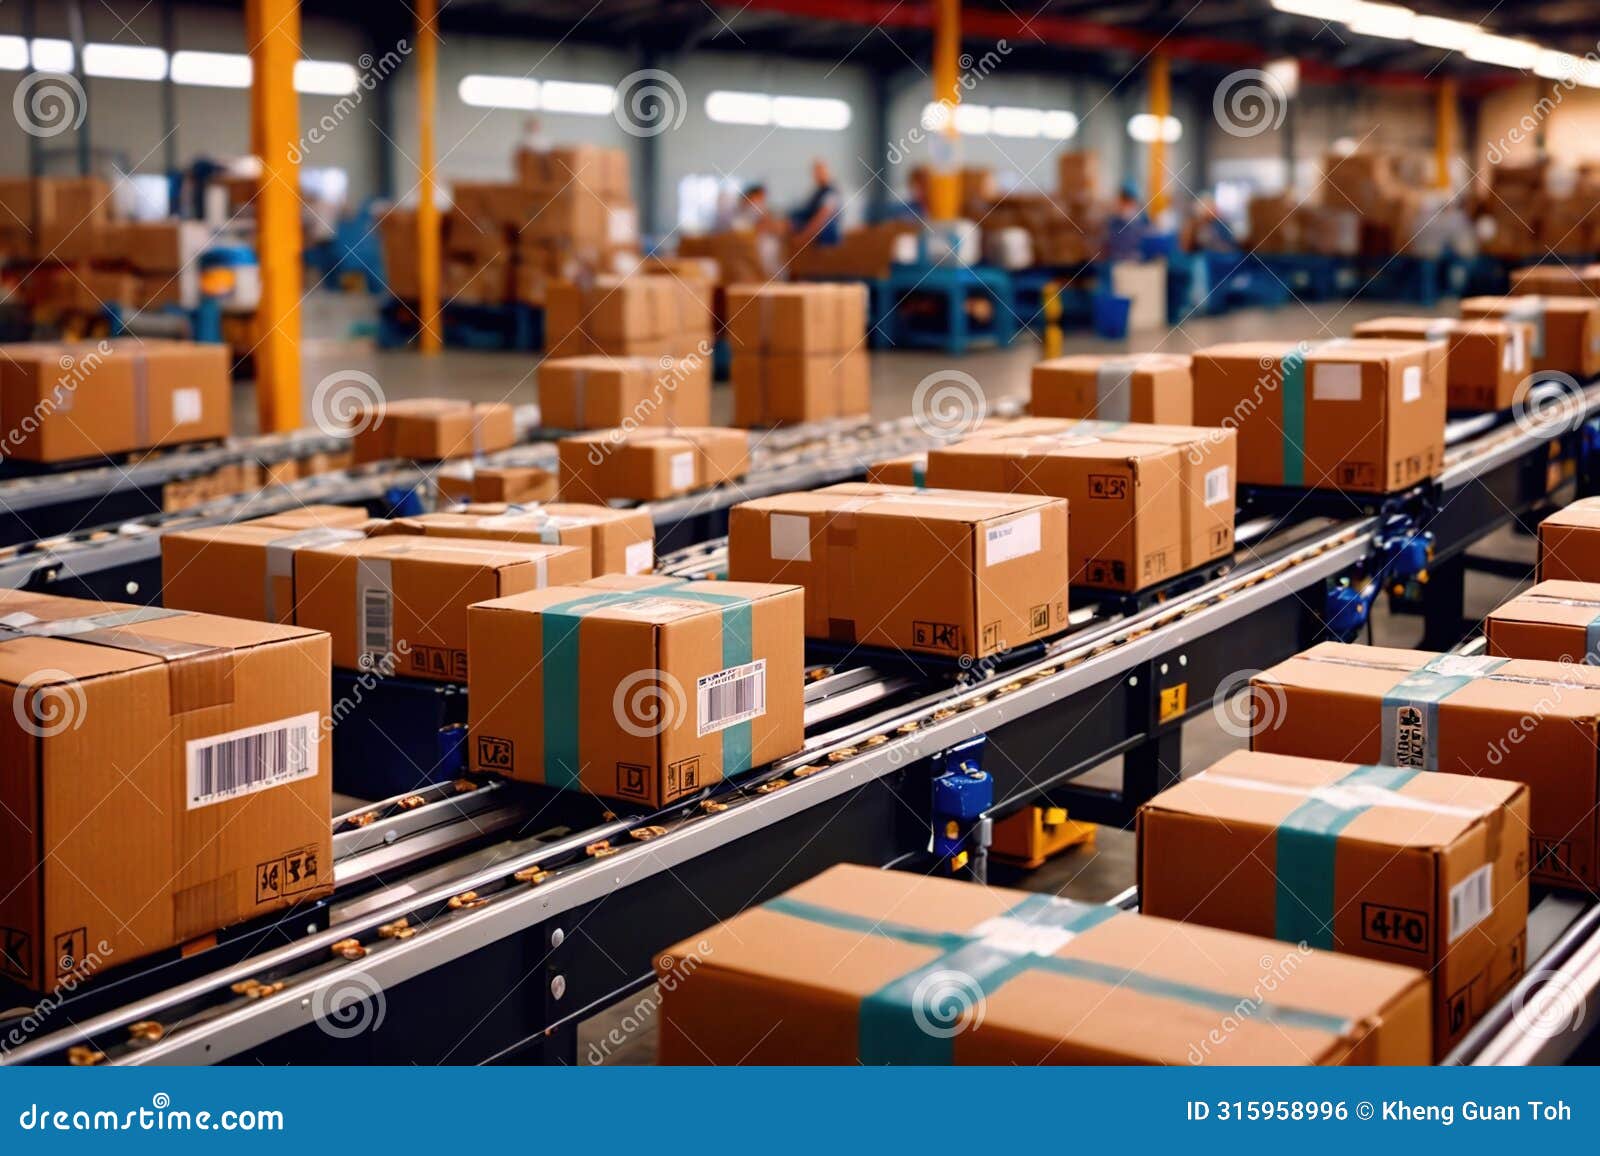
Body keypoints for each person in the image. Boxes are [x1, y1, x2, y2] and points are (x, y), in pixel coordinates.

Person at [791, 159, 843, 245]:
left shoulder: (831, 193)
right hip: (812, 233)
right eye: (816, 172)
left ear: (827, 172)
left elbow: (821, 217)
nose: (818, 175)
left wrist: (803, 236)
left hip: (826, 237)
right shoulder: (816, 193)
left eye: (821, 171)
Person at [1104, 181, 1149, 261]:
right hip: (1117, 262)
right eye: (1124, 201)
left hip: (1137, 262)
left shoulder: (1142, 219)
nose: (1126, 205)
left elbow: (1146, 241)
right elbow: (1110, 244)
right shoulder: (1113, 221)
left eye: (1129, 201)